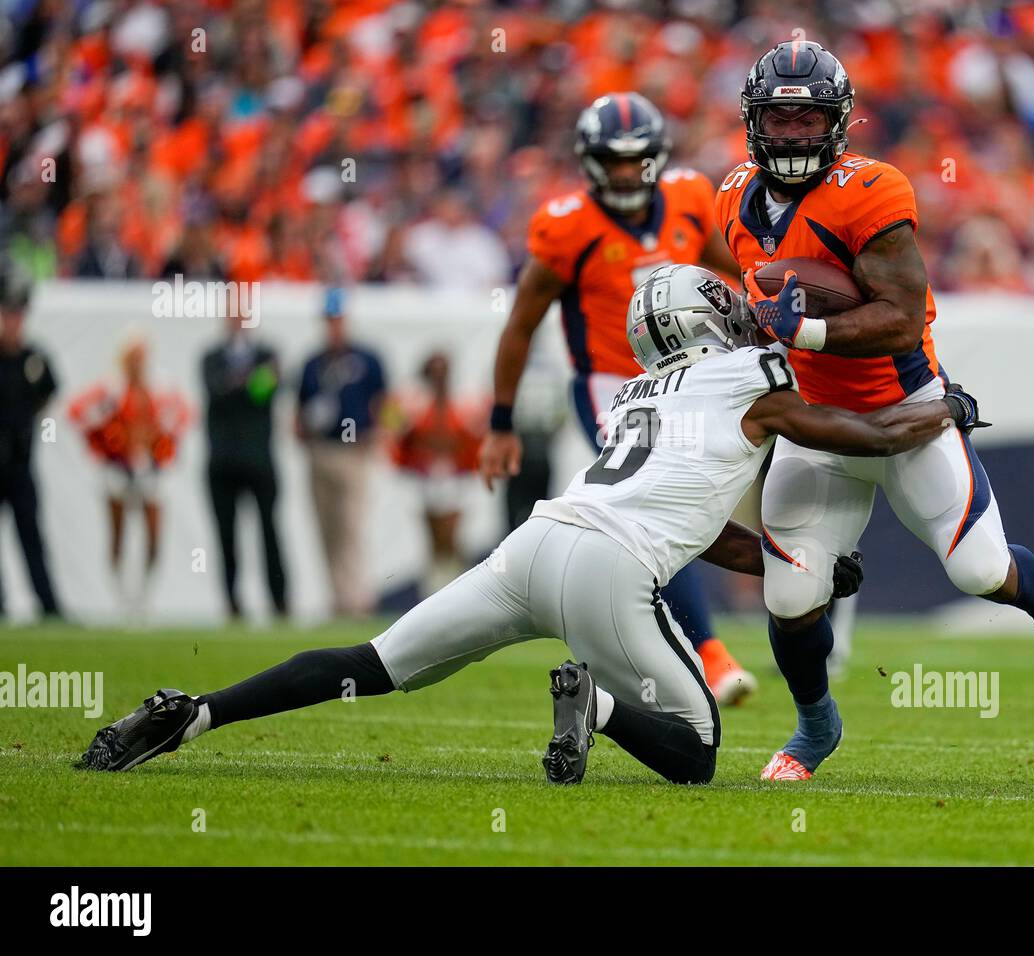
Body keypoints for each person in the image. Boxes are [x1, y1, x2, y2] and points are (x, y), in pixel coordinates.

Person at [80, 264, 982, 785]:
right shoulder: (751, 378)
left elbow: (700, 521)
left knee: (374, 664)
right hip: (610, 569)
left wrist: (787, 556)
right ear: (701, 320)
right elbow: (862, 431)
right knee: (700, 754)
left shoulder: (638, 392)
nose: (737, 307)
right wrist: (943, 411)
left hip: (533, 547)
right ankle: (589, 701)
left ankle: (195, 714)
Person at [717, 41, 1034, 782]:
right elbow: (758, 307)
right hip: (817, 426)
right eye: (777, 120)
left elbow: (904, 318)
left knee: (979, 569)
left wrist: (802, 327)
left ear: (837, 122)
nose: (790, 135)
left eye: (805, 118)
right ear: (753, 122)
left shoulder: (869, 191)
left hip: (906, 411)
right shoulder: (733, 200)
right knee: (790, 594)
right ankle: (816, 727)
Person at [479, 92, 759, 706]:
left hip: (693, 378)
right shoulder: (567, 226)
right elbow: (520, 325)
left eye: (639, 160)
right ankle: (707, 652)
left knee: (677, 501)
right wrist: (500, 423)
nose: (628, 172)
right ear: (590, 161)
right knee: (661, 499)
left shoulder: (688, 202)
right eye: (615, 160)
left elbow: (737, 282)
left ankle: (698, 641)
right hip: (612, 384)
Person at [68, 335, 190, 620]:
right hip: (117, 467)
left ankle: (143, 595)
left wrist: (161, 450)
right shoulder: (111, 390)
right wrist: (105, 429)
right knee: (118, 534)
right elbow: (75, 412)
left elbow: (183, 416)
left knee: (153, 535)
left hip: (148, 468)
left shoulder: (159, 389)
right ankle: (121, 595)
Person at [297, 287, 387, 617]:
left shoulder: (366, 359)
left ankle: (356, 597)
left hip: (354, 451)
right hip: (322, 449)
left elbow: (383, 402)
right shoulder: (313, 363)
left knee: (351, 524)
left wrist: (379, 434)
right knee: (327, 528)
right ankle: (337, 598)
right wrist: (305, 432)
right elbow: (300, 409)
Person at [201, 311, 288, 620]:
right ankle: (232, 601)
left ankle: (279, 601)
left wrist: (243, 384)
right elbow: (219, 392)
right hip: (223, 462)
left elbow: (265, 393)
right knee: (227, 535)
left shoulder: (267, 353)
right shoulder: (211, 357)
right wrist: (251, 381)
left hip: (259, 460)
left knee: (270, 531)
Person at [385, 353, 482, 593]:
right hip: (425, 476)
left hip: (456, 475)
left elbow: (473, 434)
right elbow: (391, 427)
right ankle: (436, 584)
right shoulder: (414, 401)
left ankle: (458, 583)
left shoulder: (462, 400)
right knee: (432, 535)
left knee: (452, 534)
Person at [0, 282, 61, 620]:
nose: (12, 323)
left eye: (16, 316)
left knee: (31, 535)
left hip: (21, 461)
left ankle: (48, 604)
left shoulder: (32, 358)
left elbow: (49, 393)